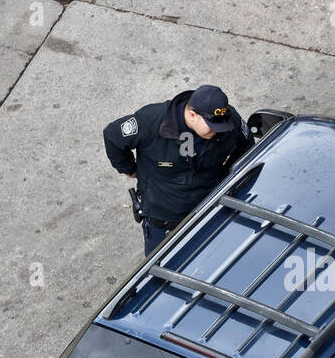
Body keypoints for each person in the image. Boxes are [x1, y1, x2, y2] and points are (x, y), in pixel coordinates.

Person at [103, 83, 252, 255]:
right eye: (212, 126)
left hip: (212, 207)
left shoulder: (229, 120)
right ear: (192, 114)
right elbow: (112, 135)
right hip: (166, 218)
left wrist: (230, 180)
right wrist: (128, 168)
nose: (217, 131)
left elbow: (246, 149)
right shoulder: (152, 121)